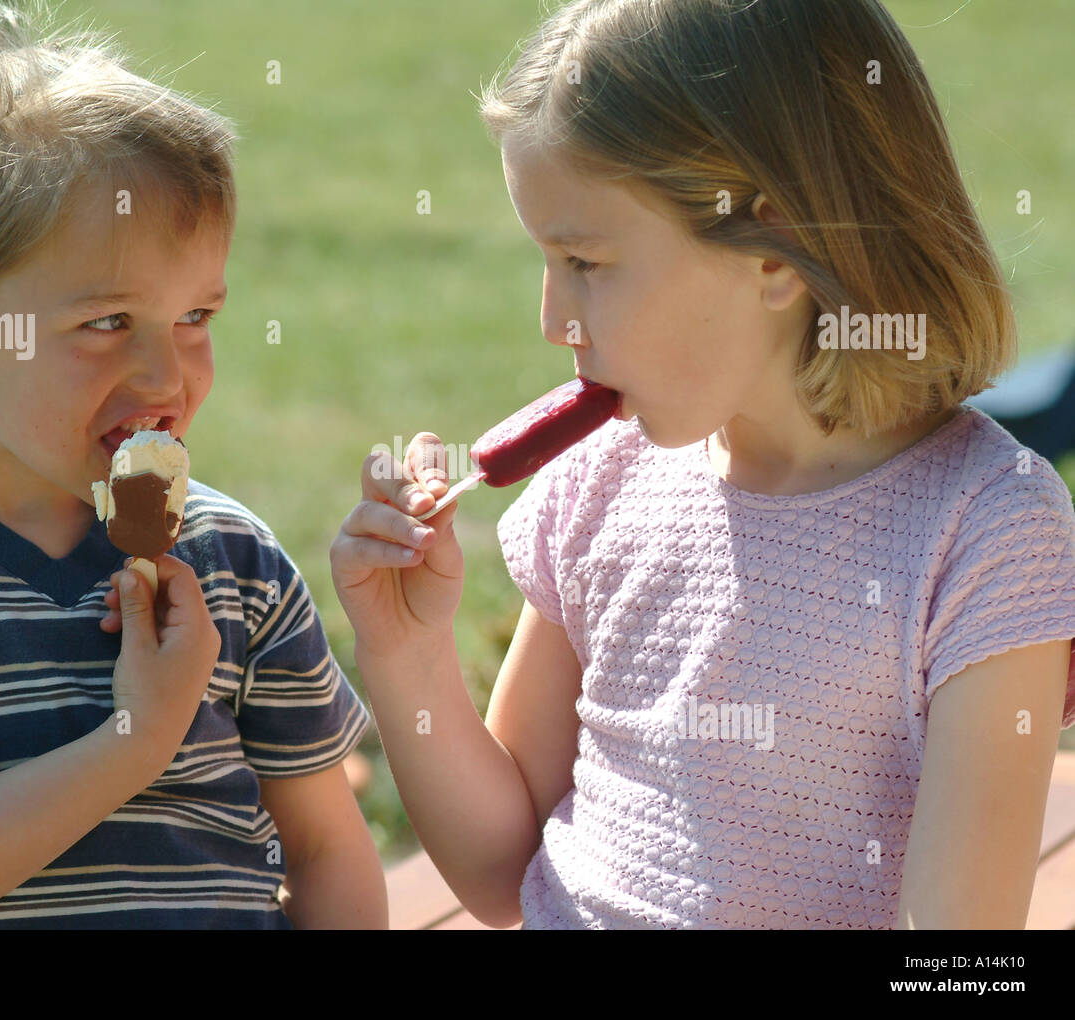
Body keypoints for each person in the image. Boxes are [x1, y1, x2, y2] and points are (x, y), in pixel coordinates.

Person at [330, 0, 1075, 929]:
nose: (553, 317)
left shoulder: (988, 531)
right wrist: (405, 654)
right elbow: (501, 871)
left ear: (777, 249)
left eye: (585, 261)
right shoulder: (599, 484)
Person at [0, 2, 383, 929]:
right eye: (106, 324)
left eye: (196, 317)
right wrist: (135, 739)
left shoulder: (233, 560)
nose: (166, 374)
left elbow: (328, 850)